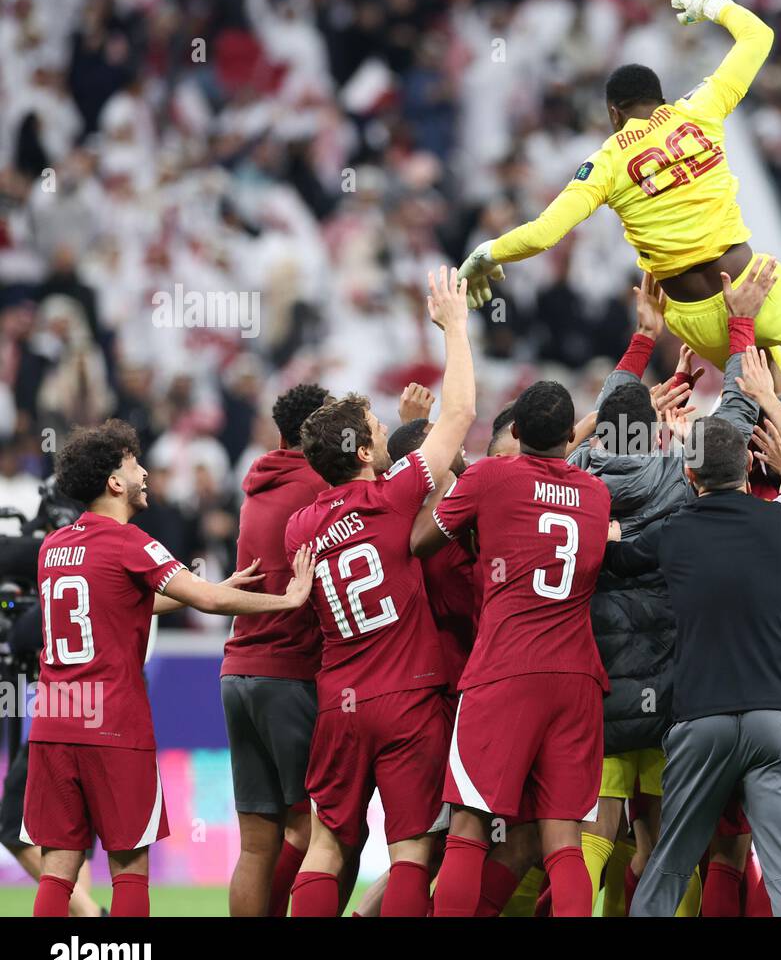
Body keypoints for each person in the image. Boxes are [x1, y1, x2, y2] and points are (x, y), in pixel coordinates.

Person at [457, 0, 781, 390]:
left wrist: (484, 253)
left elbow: (543, 233)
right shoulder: (700, 107)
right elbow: (760, 36)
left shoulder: (605, 162)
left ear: (613, 113)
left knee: (764, 386)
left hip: (692, 320)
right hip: (751, 285)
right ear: (661, 99)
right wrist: (712, 2)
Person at [605, 346, 781, 917]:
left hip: (703, 720)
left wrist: (605, 533)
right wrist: (765, 398)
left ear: (687, 473)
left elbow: (616, 560)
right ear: (746, 469)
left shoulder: (673, 535)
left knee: (671, 862)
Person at [23, 419, 315, 917]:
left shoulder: (52, 547)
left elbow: (113, 605)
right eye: (134, 464)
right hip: (113, 727)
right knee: (130, 868)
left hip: (53, 723)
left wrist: (218, 584)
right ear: (115, 482)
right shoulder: (131, 542)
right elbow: (206, 601)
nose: (144, 474)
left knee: (58, 868)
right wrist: (288, 599)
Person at [566, 265, 771, 914]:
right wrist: (739, 328)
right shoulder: (679, 476)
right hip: (673, 678)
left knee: (595, 828)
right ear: (656, 431)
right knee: (665, 830)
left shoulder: (573, 477)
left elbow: (611, 409)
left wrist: (642, 341)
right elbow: (735, 420)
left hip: (596, 673)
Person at [283, 266, 475, 917]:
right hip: (407, 696)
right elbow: (462, 414)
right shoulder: (392, 498)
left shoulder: (300, 524)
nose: (385, 434)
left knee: (329, 845)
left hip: (338, 700)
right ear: (365, 453)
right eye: (376, 429)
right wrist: (454, 325)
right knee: (411, 852)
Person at [415, 376, 613, 918]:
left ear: (517, 430)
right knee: (564, 842)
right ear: (570, 436)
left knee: (468, 829)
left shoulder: (489, 476)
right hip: (577, 678)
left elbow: (419, 541)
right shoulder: (596, 494)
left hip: (504, 670)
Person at [220, 382, 329, 917]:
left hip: (238, 670)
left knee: (256, 847)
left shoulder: (257, 485)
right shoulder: (319, 485)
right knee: (316, 834)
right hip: (291, 673)